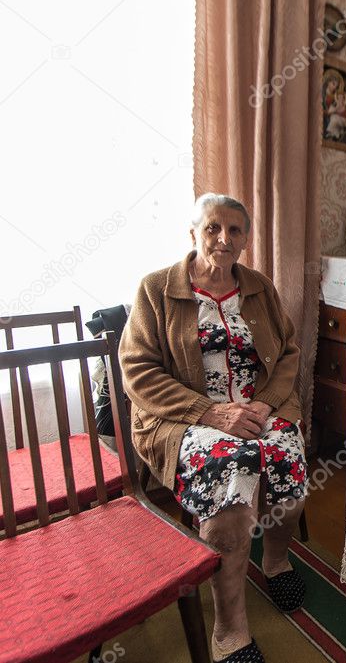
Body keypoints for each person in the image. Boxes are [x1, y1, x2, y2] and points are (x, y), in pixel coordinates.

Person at [120, 193, 307, 663]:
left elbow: (287, 352)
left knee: (290, 465)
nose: (224, 239)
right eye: (213, 228)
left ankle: (277, 560)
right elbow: (138, 371)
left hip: (261, 407)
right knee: (231, 480)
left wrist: (264, 405)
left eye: (236, 230)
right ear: (193, 233)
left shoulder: (259, 287)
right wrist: (211, 412)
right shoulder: (156, 289)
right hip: (185, 415)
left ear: (246, 238)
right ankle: (229, 629)